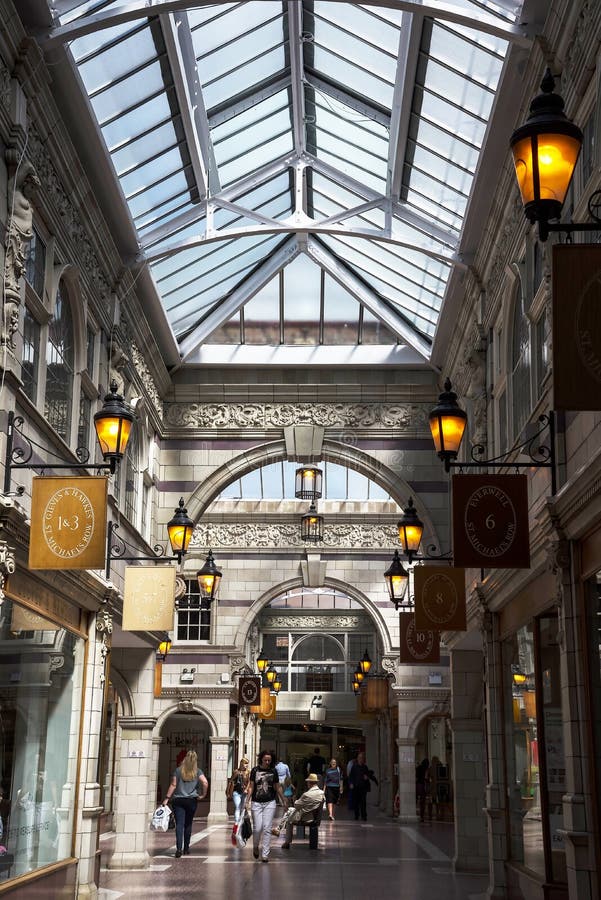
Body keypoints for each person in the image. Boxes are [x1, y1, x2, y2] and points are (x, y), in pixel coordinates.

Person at [163, 750, 208, 857]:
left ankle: (179, 848)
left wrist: (166, 798)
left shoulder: (178, 770)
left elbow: (173, 785)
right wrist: (203, 795)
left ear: (185, 758)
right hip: (191, 801)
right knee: (188, 824)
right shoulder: (198, 771)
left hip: (178, 800)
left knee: (179, 824)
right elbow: (205, 782)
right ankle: (186, 848)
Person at [245, 749, 284, 862]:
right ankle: (256, 846)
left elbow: (277, 787)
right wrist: (247, 800)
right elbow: (251, 786)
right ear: (261, 759)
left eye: (269, 760)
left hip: (270, 802)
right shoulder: (255, 770)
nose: (267, 762)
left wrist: (283, 800)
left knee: (267, 828)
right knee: (258, 828)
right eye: (265, 760)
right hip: (256, 802)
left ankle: (265, 854)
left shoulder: (274, 771)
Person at [271, 773, 324, 849]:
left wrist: (296, 801)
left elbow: (296, 805)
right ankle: (278, 829)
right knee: (290, 812)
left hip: (305, 817)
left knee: (289, 817)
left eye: (308, 782)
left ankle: (285, 840)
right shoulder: (322, 793)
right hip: (314, 817)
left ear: (310, 783)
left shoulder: (307, 794)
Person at [226, 757, 250, 841]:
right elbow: (231, 781)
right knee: (238, 807)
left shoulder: (248, 772)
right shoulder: (236, 772)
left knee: (242, 808)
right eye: (245, 763)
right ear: (241, 763)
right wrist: (228, 792)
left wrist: (247, 789)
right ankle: (236, 823)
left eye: (247, 764)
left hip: (244, 793)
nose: (246, 765)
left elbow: (249, 782)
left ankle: (240, 824)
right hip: (236, 792)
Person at [348, 751, 373, 821]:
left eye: (362, 758)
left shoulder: (365, 767)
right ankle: (356, 815)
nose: (361, 759)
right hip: (356, 787)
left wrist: (367, 777)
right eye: (359, 758)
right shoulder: (354, 767)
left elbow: (368, 775)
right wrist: (351, 783)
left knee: (363, 802)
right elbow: (351, 776)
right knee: (356, 802)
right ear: (357, 758)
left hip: (363, 787)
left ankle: (364, 816)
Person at [416, 758, 430, 823]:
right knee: (422, 802)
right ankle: (422, 816)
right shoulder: (426, 769)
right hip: (422, 785)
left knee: (418, 801)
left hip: (419, 785)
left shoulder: (419, 768)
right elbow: (426, 778)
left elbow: (416, 776)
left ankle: (419, 815)